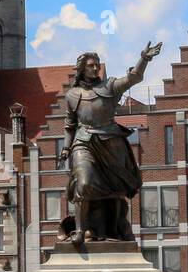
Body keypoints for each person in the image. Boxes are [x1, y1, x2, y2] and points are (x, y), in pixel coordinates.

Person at [58, 43, 163, 245]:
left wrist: (144, 58)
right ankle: (80, 231)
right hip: (84, 140)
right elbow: (70, 125)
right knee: (84, 182)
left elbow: (134, 78)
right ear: (82, 68)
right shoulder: (72, 95)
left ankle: (110, 227)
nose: (95, 68)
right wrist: (65, 147)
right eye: (90, 65)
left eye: (97, 65)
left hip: (110, 142)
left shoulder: (109, 86)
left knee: (115, 190)